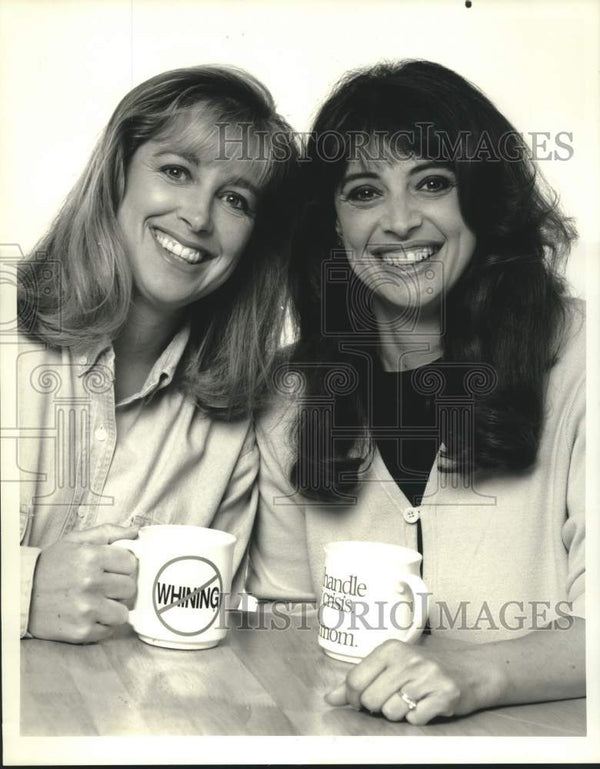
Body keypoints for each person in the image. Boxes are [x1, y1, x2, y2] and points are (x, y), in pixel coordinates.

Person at [247, 60, 585, 724]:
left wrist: (476, 670)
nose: (398, 221)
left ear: (483, 201)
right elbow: (285, 623)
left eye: (431, 182)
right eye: (364, 192)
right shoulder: (291, 395)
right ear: (334, 226)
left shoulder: (581, 358)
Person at [18, 65, 297, 643]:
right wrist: (24, 591)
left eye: (235, 199)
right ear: (117, 174)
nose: (198, 217)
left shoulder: (235, 430)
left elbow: (198, 632)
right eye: (176, 171)